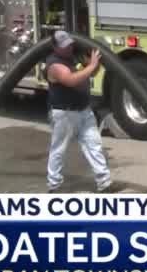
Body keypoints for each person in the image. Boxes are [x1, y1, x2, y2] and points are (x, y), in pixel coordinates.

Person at [44, 30, 121, 193]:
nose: (69, 48)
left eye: (70, 45)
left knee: (95, 145)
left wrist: (95, 63)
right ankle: (54, 185)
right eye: (64, 46)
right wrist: (91, 65)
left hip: (84, 111)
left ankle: (104, 183)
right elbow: (71, 80)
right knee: (59, 149)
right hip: (65, 114)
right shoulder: (54, 64)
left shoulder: (73, 57)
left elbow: (91, 73)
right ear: (55, 47)